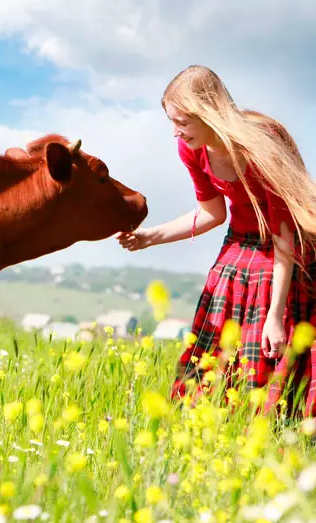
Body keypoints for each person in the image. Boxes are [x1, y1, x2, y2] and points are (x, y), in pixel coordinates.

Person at [116, 65, 316, 417]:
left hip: (289, 247)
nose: (175, 133)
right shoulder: (191, 149)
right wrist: (150, 237)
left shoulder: (262, 144)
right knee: (217, 308)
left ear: (208, 112)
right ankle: (202, 419)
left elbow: (285, 237)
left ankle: (273, 422)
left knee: (267, 333)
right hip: (240, 241)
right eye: (171, 122)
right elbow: (211, 213)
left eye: (182, 122)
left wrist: (275, 316)